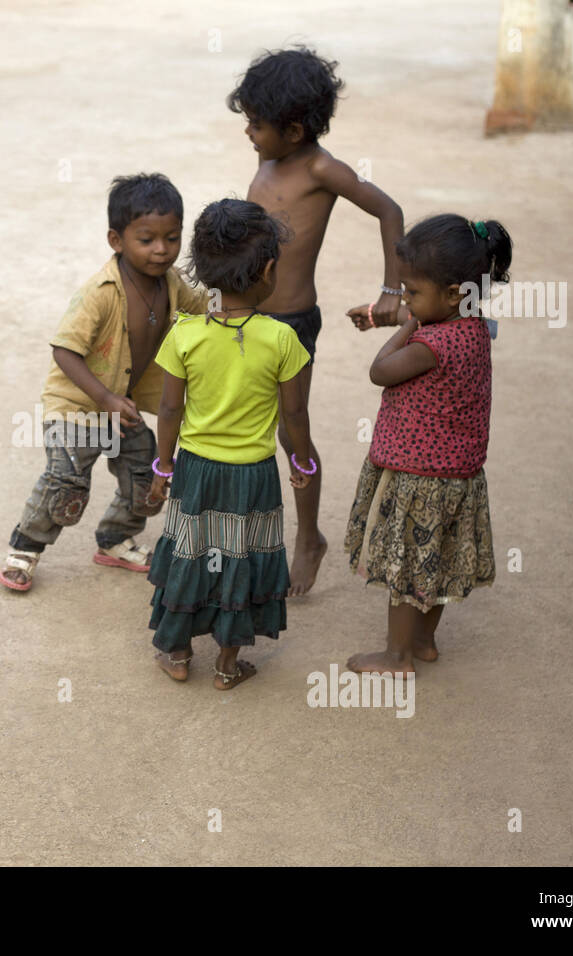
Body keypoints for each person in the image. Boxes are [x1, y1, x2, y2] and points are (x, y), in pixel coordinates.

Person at [228, 45, 406, 596]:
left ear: (296, 129)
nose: (249, 134)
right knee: (236, 418)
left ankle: (309, 537)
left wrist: (390, 292)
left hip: (292, 323)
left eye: (257, 125)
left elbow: (389, 211)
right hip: (244, 315)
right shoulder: (268, 158)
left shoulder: (323, 169)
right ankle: (242, 529)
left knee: (292, 426)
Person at [0, 173, 208, 591]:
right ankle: (25, 548)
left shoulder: (172, 284)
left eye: (172, 237)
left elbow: (206, 310)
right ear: (116, 239)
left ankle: (114, 538)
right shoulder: (99, 292)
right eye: (146, 239)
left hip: (123, 408)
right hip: (78, 406)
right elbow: (64, 350)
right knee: (66, 483)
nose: (161, 250)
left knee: (146, 477)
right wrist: (105, 396)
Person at [146, 199, 314, 690]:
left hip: (196, 471)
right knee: (240, 558)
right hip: (253, 476)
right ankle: (226, 664)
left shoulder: (185, 335)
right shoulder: (282, 339)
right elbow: (295, 414)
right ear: (267, 270)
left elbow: (170, 411)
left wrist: (162, 467)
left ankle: (176, 654)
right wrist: (300, 460)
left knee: (190, 553)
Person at [343, 215, 511, 674]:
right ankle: (424, 641)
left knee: (405, 571)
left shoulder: (429, 345)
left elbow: (380, 370)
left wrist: (405, 326)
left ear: (454, 293)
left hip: (420, 479)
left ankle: (396, 657)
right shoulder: (476, 328)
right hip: (460, 477)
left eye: (413, 293)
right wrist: (387, 314)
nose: (408, 302)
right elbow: (425, 315)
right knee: (436, 562)